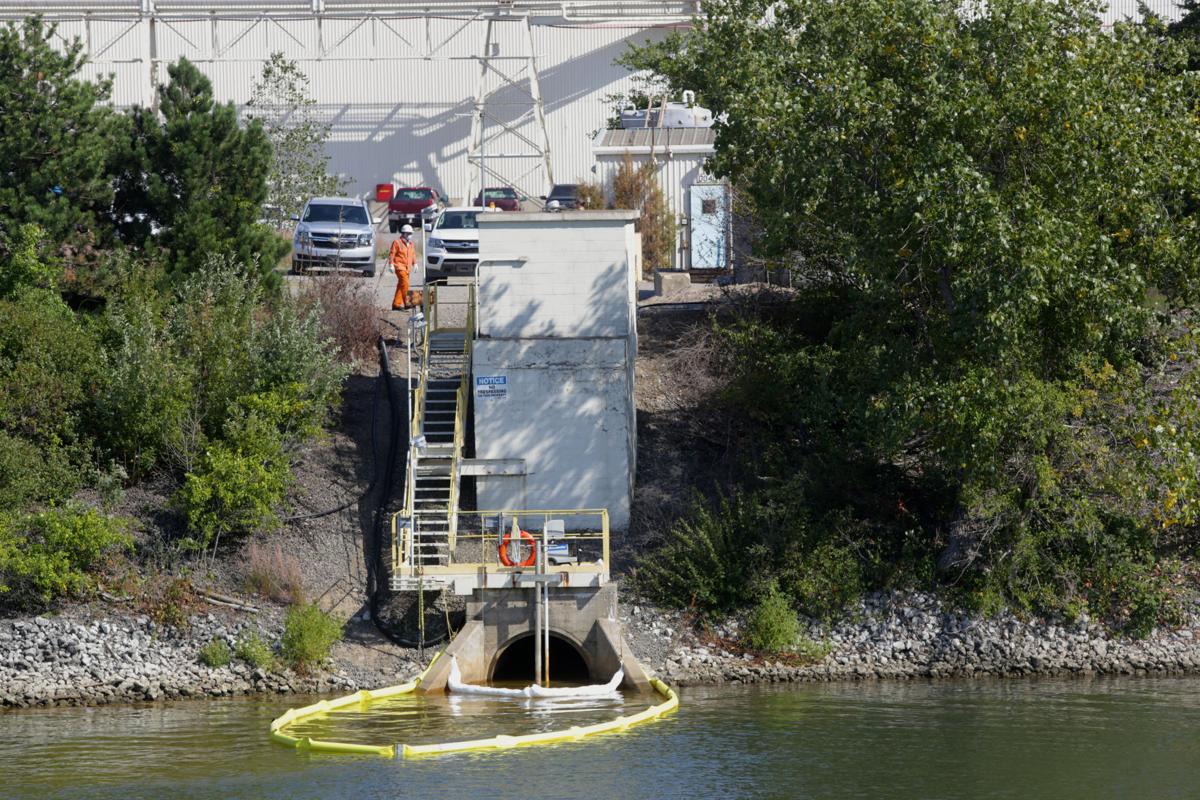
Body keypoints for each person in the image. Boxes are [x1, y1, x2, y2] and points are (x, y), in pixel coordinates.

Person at [390, 224, 417, 310]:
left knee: (400, 285)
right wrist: (391, 264)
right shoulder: (397, 242)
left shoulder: (411, 243)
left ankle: (396, 305)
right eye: (408, 233)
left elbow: (413, 254)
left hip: (407, 268)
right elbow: (392, 253)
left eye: (410, 233)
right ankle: (407, 303)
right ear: (403, 233)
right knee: (405, 284)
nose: (410, 235)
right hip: (399, 267)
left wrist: (415, 263)